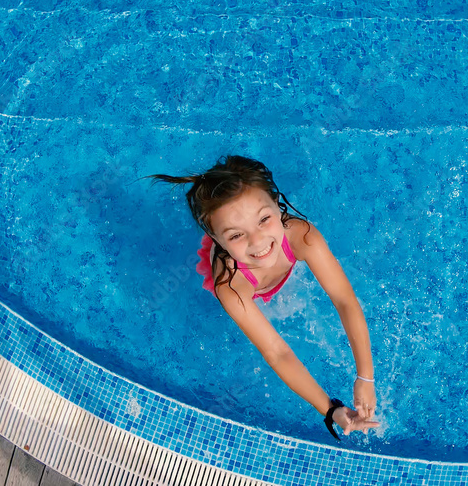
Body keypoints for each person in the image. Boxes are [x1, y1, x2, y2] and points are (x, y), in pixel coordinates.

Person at [150, 155, 379, 439]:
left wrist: (365, 377)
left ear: (276, 205)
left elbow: (345, 300)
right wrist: (330, 410)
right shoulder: (231, 287)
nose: (257, 241)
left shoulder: (301, 236)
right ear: (218, 241)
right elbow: (277, 353)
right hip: (247, 279)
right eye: (235, 236)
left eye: (264, 219)